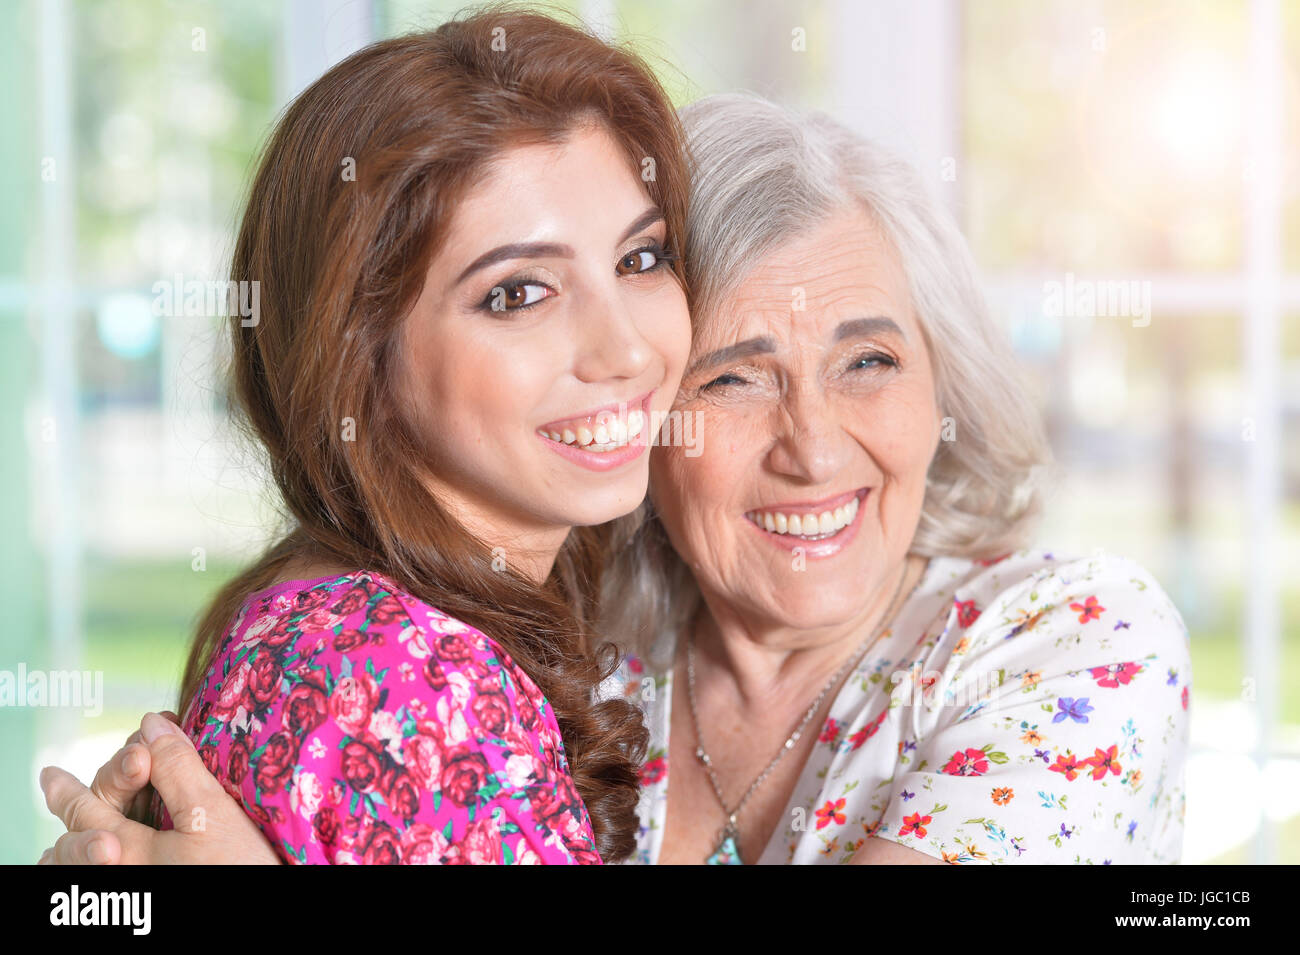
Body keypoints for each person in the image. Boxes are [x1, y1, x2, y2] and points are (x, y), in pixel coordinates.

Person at [41, 90, 1191, 866]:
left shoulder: (1068, 636)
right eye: (734, 379)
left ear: (944, 384)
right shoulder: (547, 662)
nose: (816, 447)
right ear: (640, 408)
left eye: (870, 362)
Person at [40, 5, 695, 865]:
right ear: (361, 359)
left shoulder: (326, 611)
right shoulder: (417, 683)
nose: (628, 350)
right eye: (518, 292)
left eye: (639, 259)